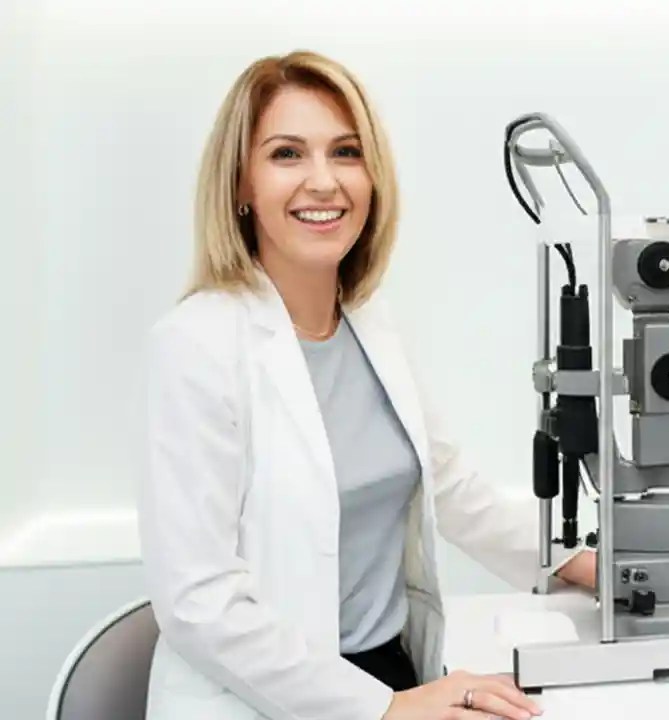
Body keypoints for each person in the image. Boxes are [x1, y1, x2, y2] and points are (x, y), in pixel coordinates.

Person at [138, 49, 597, 720]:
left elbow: (449, 487)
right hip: (267, 698)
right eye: (287, 154)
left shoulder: (369, 323)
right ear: (240, 184)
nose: (324, 182)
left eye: (346, 153)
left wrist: (583, 560)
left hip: (391, 670)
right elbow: (198, 601)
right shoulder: (194, 346)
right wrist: (381, 710)